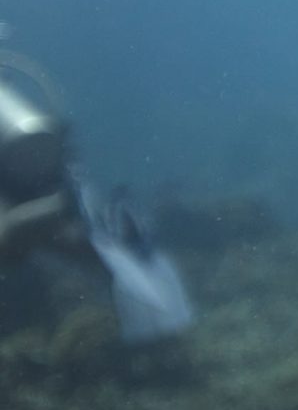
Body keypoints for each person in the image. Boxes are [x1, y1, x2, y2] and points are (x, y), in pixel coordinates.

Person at [0, 66, 194, 341]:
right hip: (39, 174)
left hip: (19, 183)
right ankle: (101, 223)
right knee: (68, 240)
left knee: (12, 240)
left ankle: (81, 214)